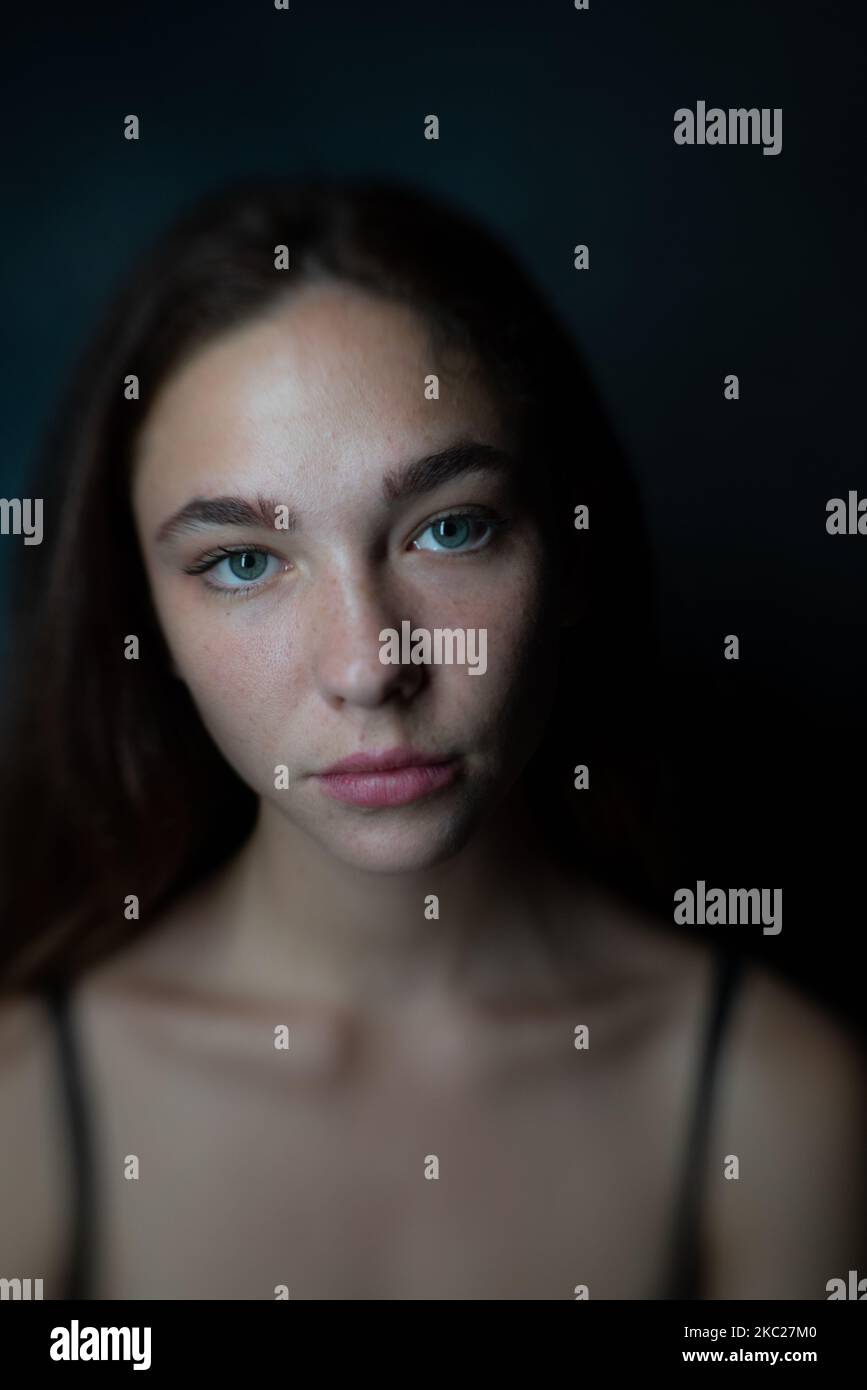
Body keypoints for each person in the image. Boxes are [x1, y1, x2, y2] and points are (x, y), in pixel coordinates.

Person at [0, 177, 863, 1300]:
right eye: (242, 561)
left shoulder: (773, 1103)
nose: (369, 667)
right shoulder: (25, 1104)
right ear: (140, 619)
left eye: (450, 529)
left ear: (570, 554)